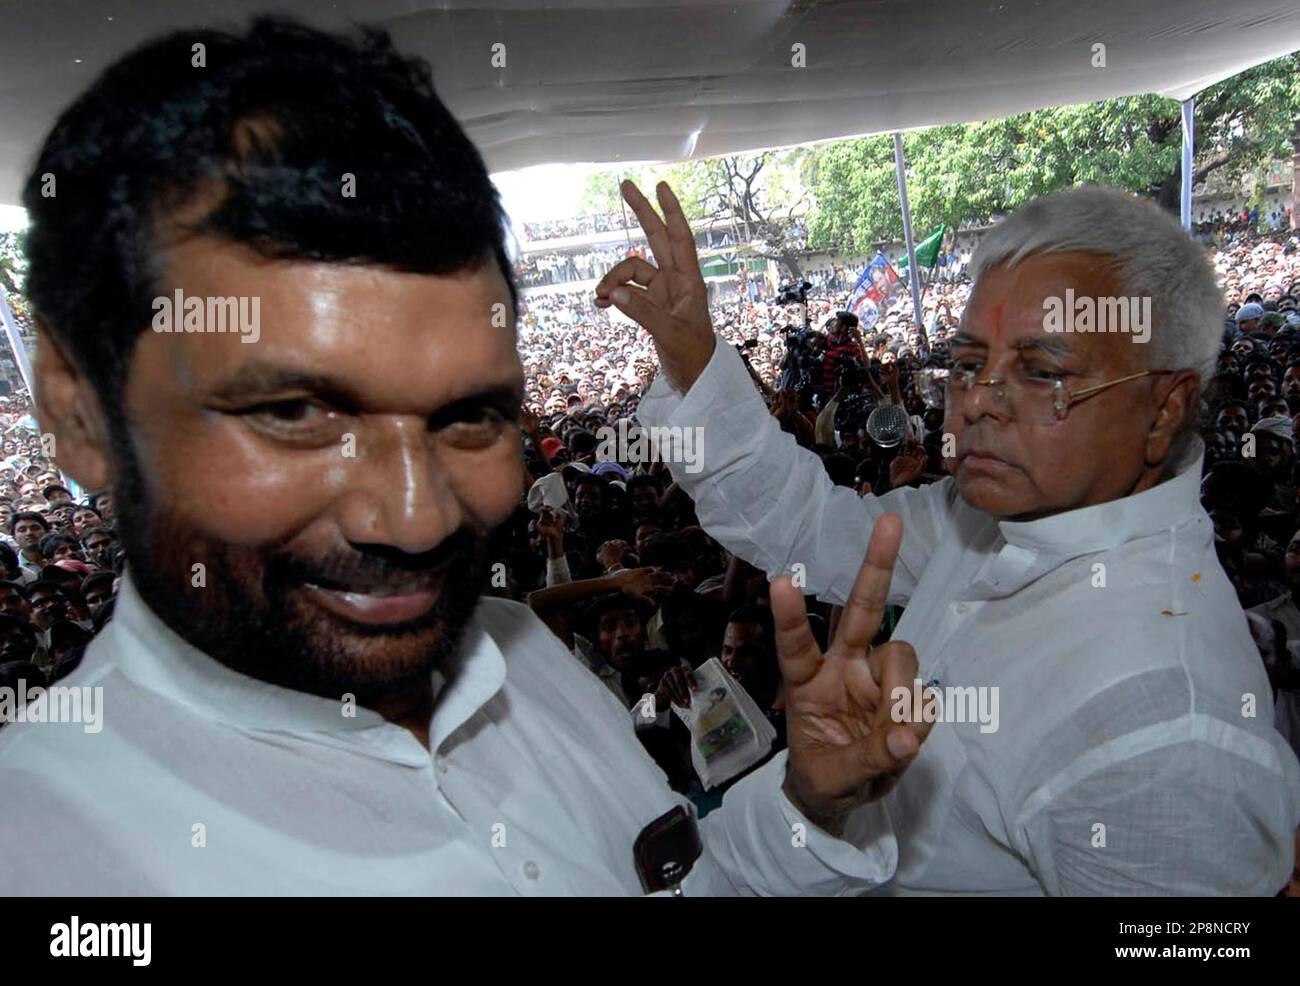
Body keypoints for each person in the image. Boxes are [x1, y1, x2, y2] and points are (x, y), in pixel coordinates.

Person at [0, 17, 931, 895]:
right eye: (295, 412)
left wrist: (811, 804)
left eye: (473, 416)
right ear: (78, 412)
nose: (418, 515)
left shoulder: (521, 660)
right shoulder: (48, 852)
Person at [599, 179, 1300, 894]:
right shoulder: (992, 518)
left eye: (1041, 372)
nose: (976, 404)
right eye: (968, 363)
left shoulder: (1164, 727)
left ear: (1163, 409)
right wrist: (693, 357)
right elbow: (812, 526)